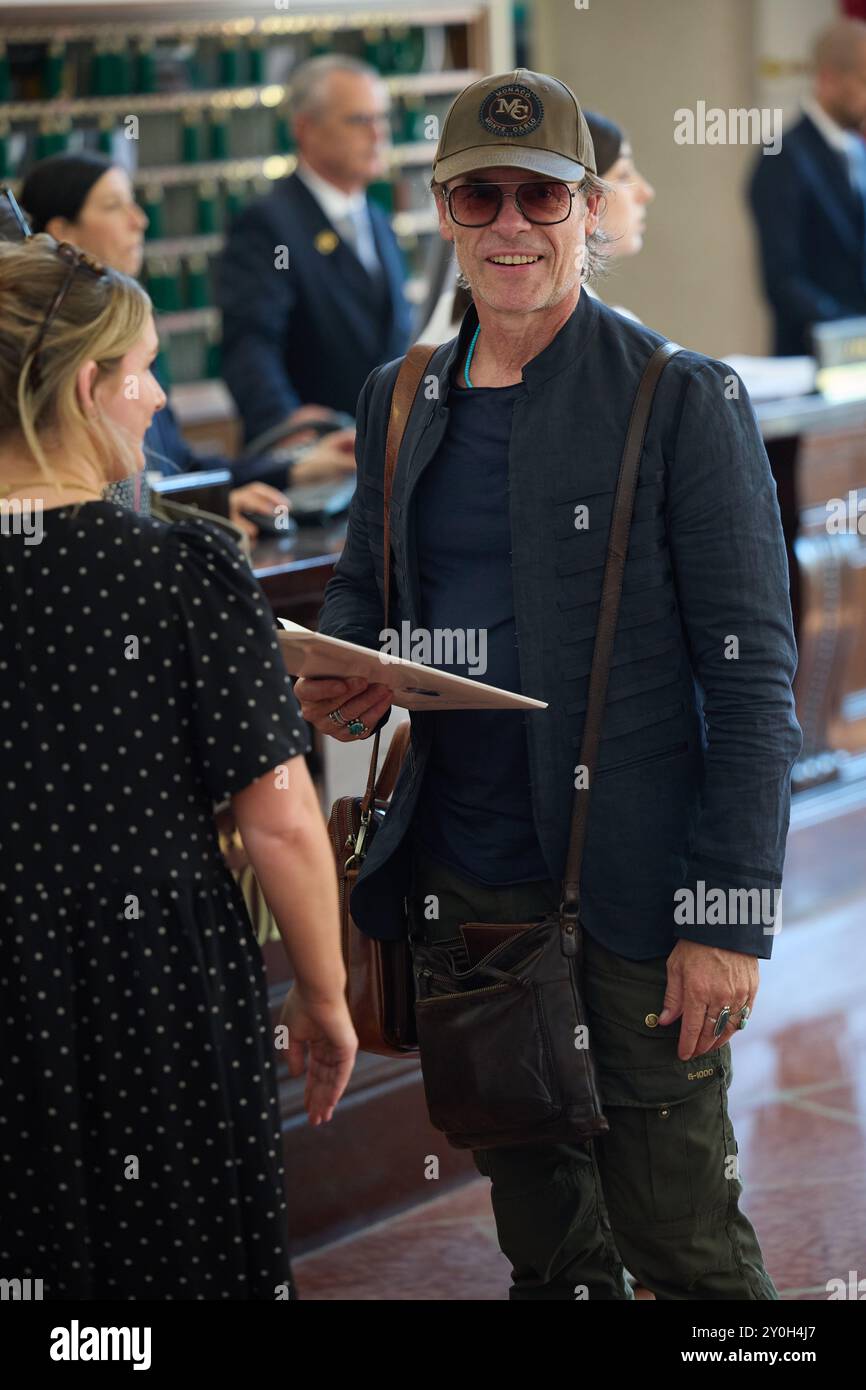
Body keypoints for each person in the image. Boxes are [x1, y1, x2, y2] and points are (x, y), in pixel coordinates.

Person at [296, 67, 803, 1301]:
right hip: (470, 891)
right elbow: (366, 582)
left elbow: (751, 679)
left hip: (638, 898)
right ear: (444, 210)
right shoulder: (401, 396)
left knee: (682, 1244)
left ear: (587, 213)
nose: (512, 223)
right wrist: (350, 669)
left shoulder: (678, 398)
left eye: (542, 196)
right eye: (483, 196)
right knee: (545, 1247)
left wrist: (726, 918)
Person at [0, 229, 358, 1299]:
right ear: (79, 386)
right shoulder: (181, 566)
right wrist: (325, 994)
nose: (157, 398)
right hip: (149, 969)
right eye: (142, 370)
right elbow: (281, 820)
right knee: (174, 1249)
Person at [18, 153, 356, 539]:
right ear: (63, 233)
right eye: (115, 206)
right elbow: (123, 499)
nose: (139, 220)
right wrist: (197, 522)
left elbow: (175, 467)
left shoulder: (133, 338)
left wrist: (300, 467)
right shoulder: (61, 356)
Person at [217, 55, 413, 446]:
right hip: (315, 463)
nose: (378, 134)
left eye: (381, 118)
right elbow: (250, 342)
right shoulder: (268, 223)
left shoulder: (376, 218)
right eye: (359, 120)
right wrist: (282, 421)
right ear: (305, 128)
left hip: (383, 448)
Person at [749, 17, 866, 356]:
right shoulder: (782, 158)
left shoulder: (857, 151)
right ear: (828, 79)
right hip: (811, 358)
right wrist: (853, 331)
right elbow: (783, 282)